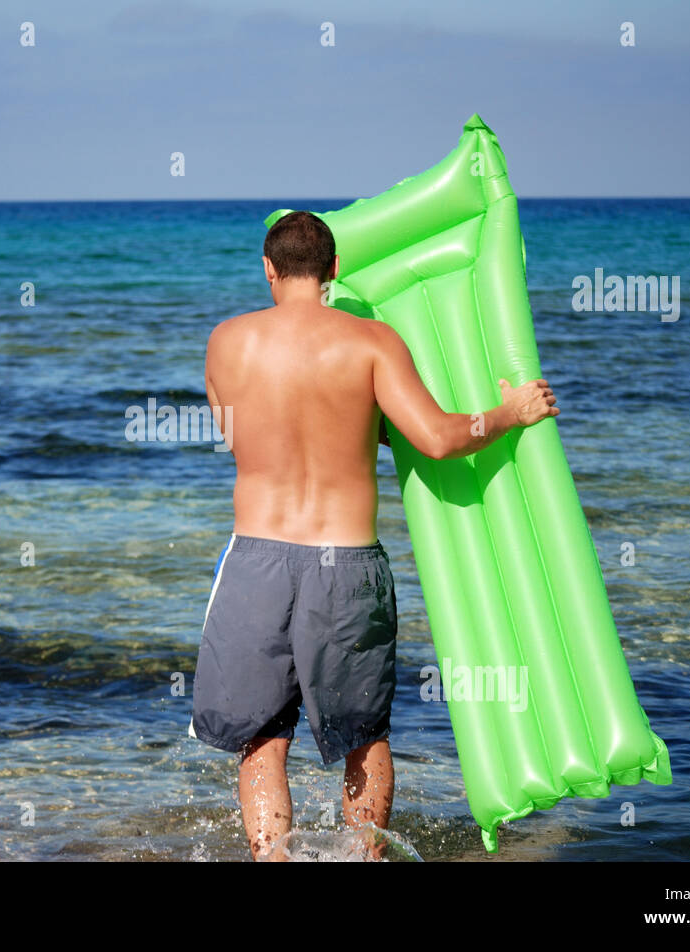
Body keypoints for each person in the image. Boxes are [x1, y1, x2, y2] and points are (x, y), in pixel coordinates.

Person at [189, 210, 558, 860]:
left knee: (261, 738)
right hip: (346, 563)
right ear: (333, 271)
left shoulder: (226, 342)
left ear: (269, 270)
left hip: (255, 562)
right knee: (364, 735)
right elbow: (442, 439)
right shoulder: (372, 343)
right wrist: (512, 411)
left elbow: (237, 438)